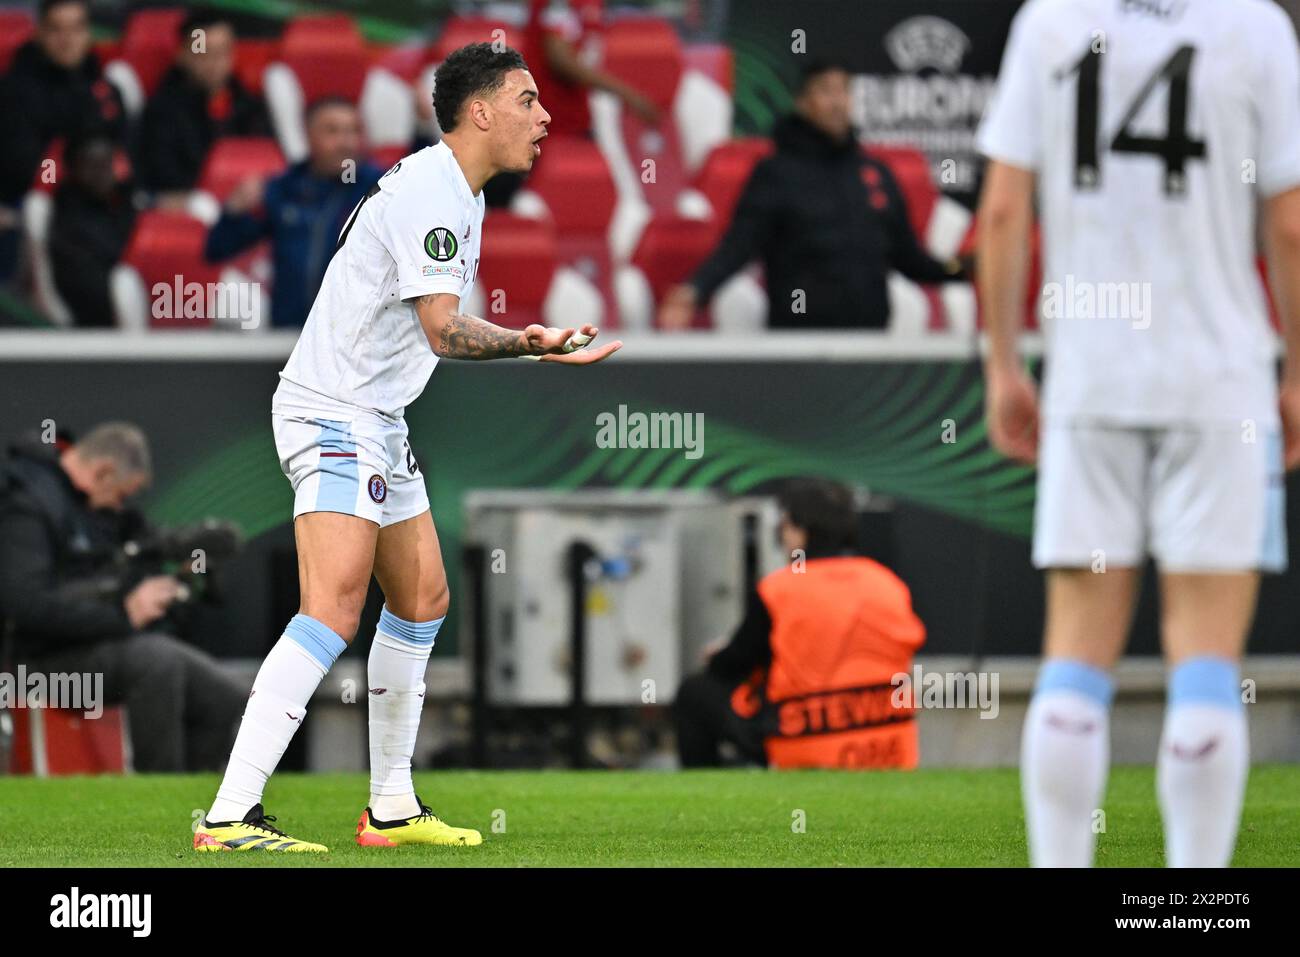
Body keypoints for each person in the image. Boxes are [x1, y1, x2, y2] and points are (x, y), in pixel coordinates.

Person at [195, 42, 621, 853]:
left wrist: (529, 341)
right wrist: (533, 341)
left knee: (423, 598)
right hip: (334, 409)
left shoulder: (459, 193)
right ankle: (227, 815)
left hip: (377, 415)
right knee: (331, 608)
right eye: (529, 100)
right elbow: (444, 330)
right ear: (482, 110)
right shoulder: (433, 190)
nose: (546, 115)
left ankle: (390, 805)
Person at [977, 0, 1300, 867]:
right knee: (1204, 659)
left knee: (1075, 657)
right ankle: (1192, 901)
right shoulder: (1256, 25)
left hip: (1091, 375)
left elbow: (1003, 211)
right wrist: (1299, 370)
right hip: (1219, 380)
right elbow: (1292, 224)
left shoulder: (1049, 19)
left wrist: (1004, 363)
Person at [0, 424, 247, 772]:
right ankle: (157, 800)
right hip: (38, 665)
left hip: (106, 643)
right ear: (103, 472)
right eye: (120, 495)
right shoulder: (27, 503)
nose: (121, 505)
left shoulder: (101, 509)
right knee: (157, 660)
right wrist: (126, 613)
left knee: (224, 697)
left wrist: (184, 565)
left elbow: (143, 544)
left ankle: (196, 807)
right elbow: (24, 605)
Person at [658, 60, 964, 331]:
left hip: (871, 348)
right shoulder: (775, 173)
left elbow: (908, 257)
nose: (837, 102)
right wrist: (694, 290)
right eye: (825, 91)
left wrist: (963, 269)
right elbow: (739, 245)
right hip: (799, 345)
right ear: (803, 103)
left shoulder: (875, 173)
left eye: (844, 91)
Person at [675, 479, 925, 769]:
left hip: (806, 744)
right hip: (890, 748)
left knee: (694, 692)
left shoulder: (780, 590)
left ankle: (709, 790)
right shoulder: (887, 583)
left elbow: (732, 665)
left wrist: (718, 654)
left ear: (798, 530)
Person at [204, 97, 383, 329]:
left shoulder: (382, 189)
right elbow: (217, 250)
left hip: (358, 338)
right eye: (333, 131)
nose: (345, 142)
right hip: (291, 337)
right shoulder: (284, 189)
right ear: (308, 136)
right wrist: (233, 212)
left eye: (352, 131)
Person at [0, 0, 124, 279]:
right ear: (40, 33)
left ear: (88, 33)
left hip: (101, 203)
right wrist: (70, 173)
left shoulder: (105, 88)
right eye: (57, 30)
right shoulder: (17, 92)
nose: (67, 40)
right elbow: (27, 167)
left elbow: (125, 153)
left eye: (76, 29)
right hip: (40, 203)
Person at [135, 7, 270, 203]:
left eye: (222, 52)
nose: (214, 63)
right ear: (182, 54)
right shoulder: (162, 111)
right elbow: (162, 175)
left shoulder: (251, 105)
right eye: (203, 53)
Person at [48, 132, 136, 327]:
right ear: (75, 169)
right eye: (93, 165)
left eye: (107, 165)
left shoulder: (124, 207)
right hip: (91, 323)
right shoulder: (68, 217)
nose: (101, 174)